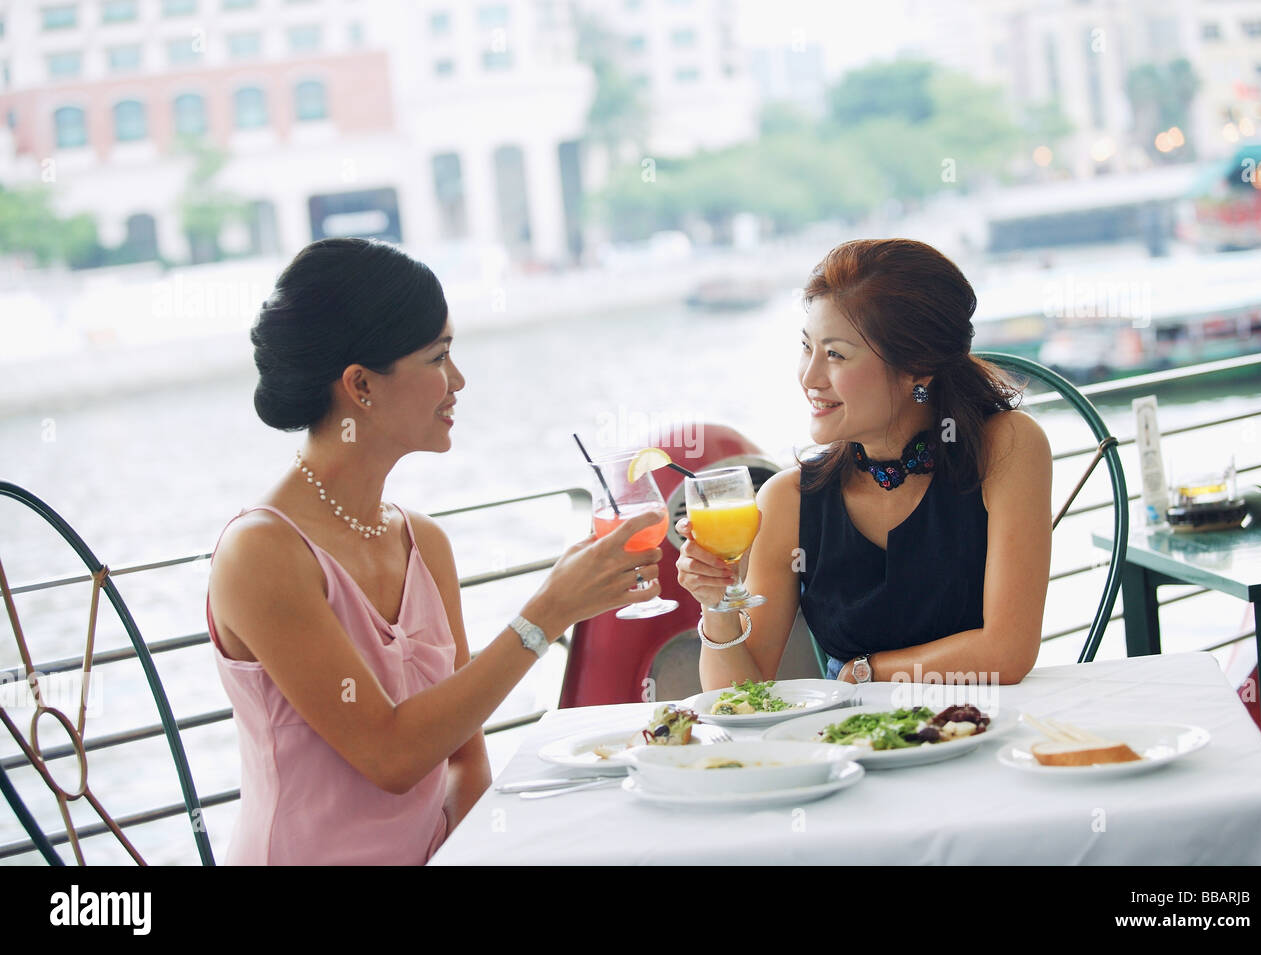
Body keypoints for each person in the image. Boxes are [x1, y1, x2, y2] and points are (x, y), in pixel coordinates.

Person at [205, 237, 664, 864]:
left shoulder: (425, 541)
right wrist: (548, 612)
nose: (458, 381)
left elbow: (466, 760)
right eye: (438, 357)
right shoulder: (261, 553)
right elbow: (390, 757)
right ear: (361, 385)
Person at [676, 238, 1052, 689]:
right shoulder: (789, 500)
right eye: (806, 348)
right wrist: (716, 603)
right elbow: (743, 696)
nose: (810, 378)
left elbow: (1007, 654)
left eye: (835, 354)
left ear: (917, 366)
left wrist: (864, 671)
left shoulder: (1007, 446)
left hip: (991, 727)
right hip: (859, 747)